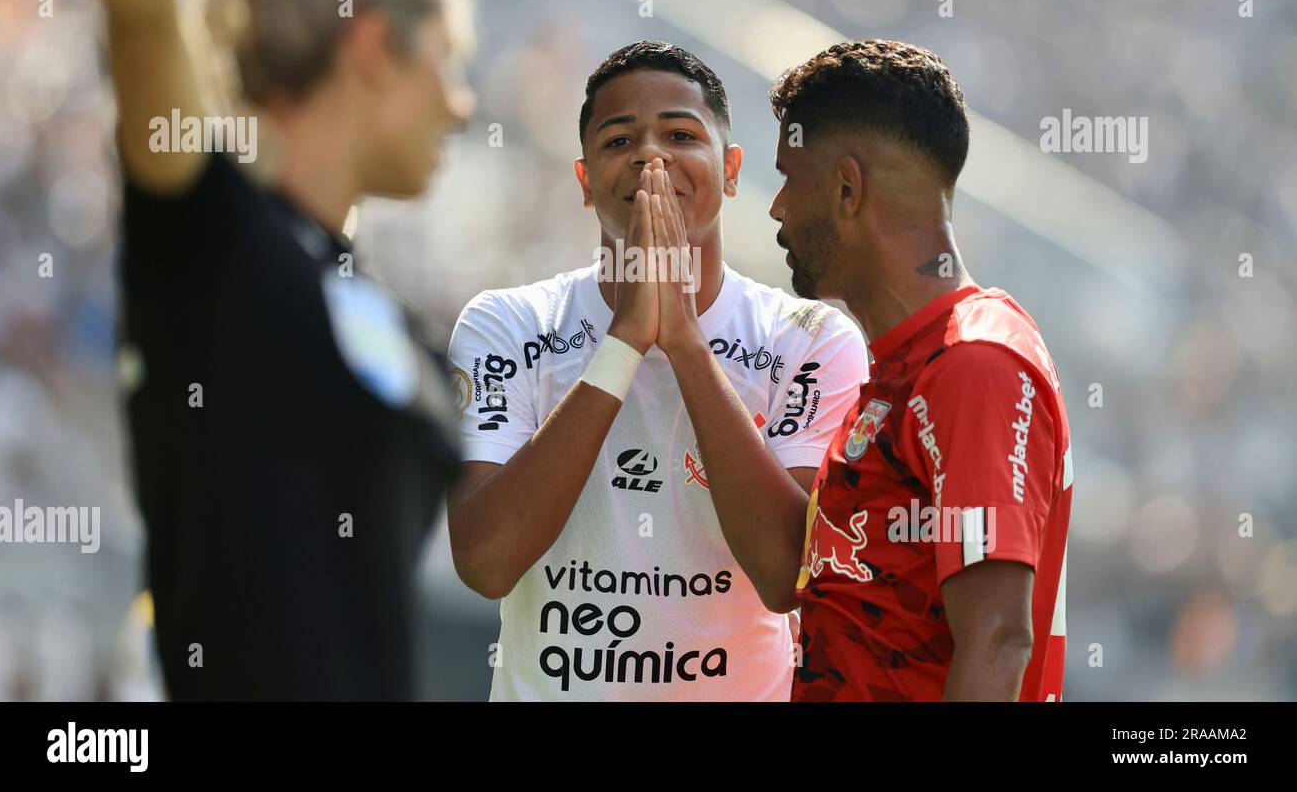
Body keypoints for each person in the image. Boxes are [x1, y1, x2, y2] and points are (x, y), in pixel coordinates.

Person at [79, 0, 475, 699]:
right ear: (373, 47)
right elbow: (140, 4)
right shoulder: (210, 234)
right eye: (447, 60)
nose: (461, 103)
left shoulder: (383, 310)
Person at [446, 41, 867, 700]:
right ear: (586, 182)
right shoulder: (507, 324)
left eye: (679, 133)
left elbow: (788, 574)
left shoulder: (809, 340)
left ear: (729, 169)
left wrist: (685, 344)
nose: (650, 155)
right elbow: (486, 560)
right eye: (619, 139)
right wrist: (624, 343)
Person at [753, 39, 1072, 701]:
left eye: (789, 176)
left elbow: (998, 637)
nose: (777, 207)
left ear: (847, 187)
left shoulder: (975, 363)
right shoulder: (905, 367)